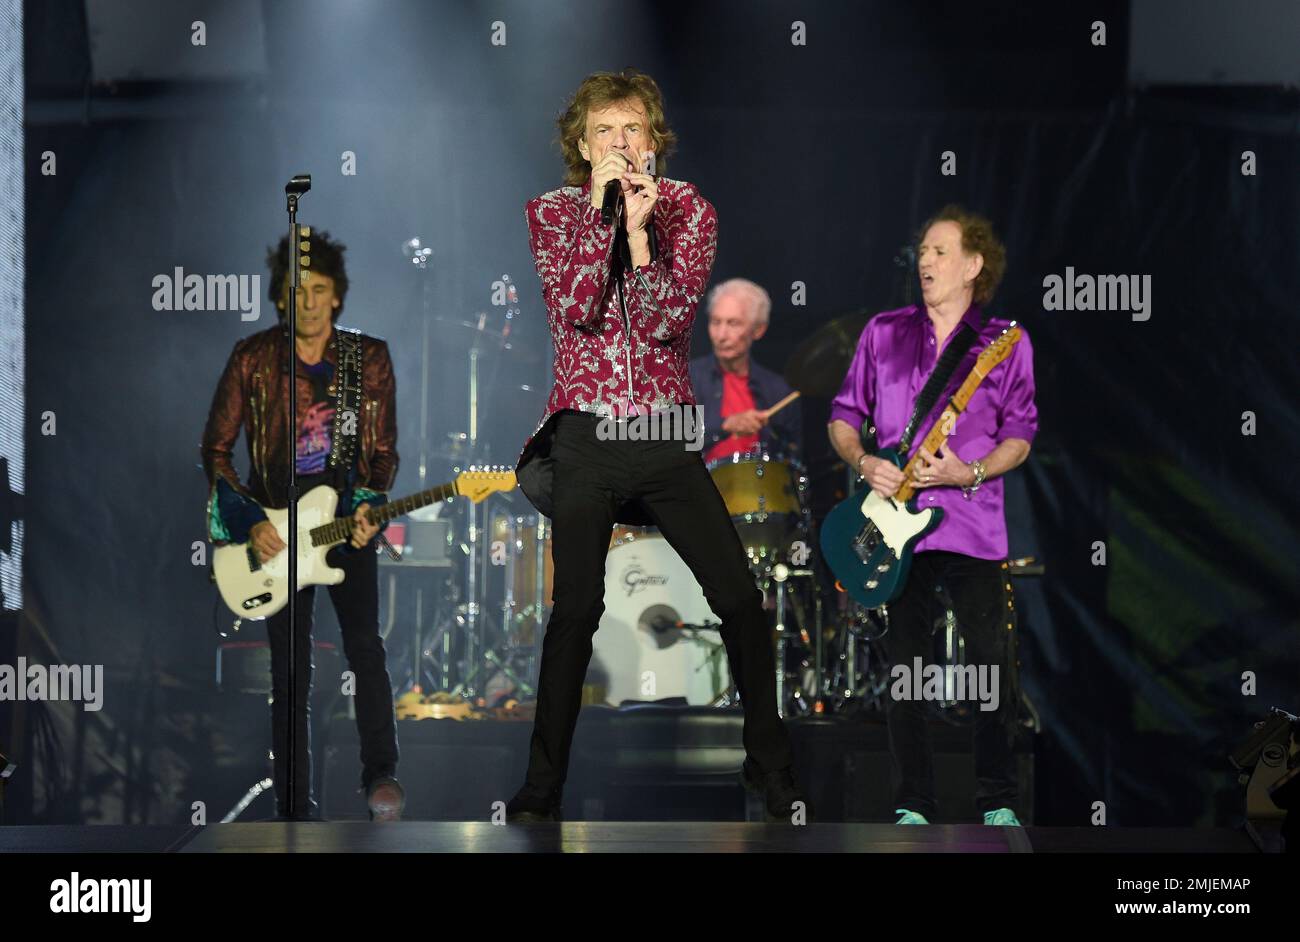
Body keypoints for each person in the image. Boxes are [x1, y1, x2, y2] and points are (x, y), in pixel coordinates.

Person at [510, 69, 809, 822]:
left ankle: (771, 774)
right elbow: (576, 308)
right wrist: (606, 223)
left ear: (654, 141)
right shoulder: (550, 213)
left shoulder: (689, 211)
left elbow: (666, 324)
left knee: (740, 598)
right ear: (582, 145)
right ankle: (542, 792)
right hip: (584, 431)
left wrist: (642, 234)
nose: (619, 143)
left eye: (632, 129)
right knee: (575, 606)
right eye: (604, 131)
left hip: (663, 432)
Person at [826, 206, 1036, 826]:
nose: (925, 261)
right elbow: (842, 416)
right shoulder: (883, 332)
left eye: (940, 252)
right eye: (922, 250)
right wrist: (865, 461)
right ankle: (912, 801)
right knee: (905, 668)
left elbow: (1021, 434)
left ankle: (996, 798)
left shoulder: (1005, 343)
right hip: (894, 524)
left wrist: (967, 472)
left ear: (973, 266)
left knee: (990, 664)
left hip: (972, 527)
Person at [200, 229, 404, 821]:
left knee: (365, 647)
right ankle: (294, 803)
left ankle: (380, 775)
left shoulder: (365, 360)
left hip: (344, 525)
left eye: (320, 290)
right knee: (290, 672)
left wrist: (368, 504)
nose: (309, 302)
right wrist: (244, 519)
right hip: (274, 532)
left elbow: (384, 451)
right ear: (281, 297)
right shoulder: (252, 358)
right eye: (298, 291)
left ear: (337, 295)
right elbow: (215, 449)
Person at [689, 278, 802, 462]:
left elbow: (794, 460)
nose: (721, 335)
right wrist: (724, 426)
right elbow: (667, 442)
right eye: (716, 322)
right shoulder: (686, 378)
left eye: (733, 323)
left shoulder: (779, 391)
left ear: (758, 330)